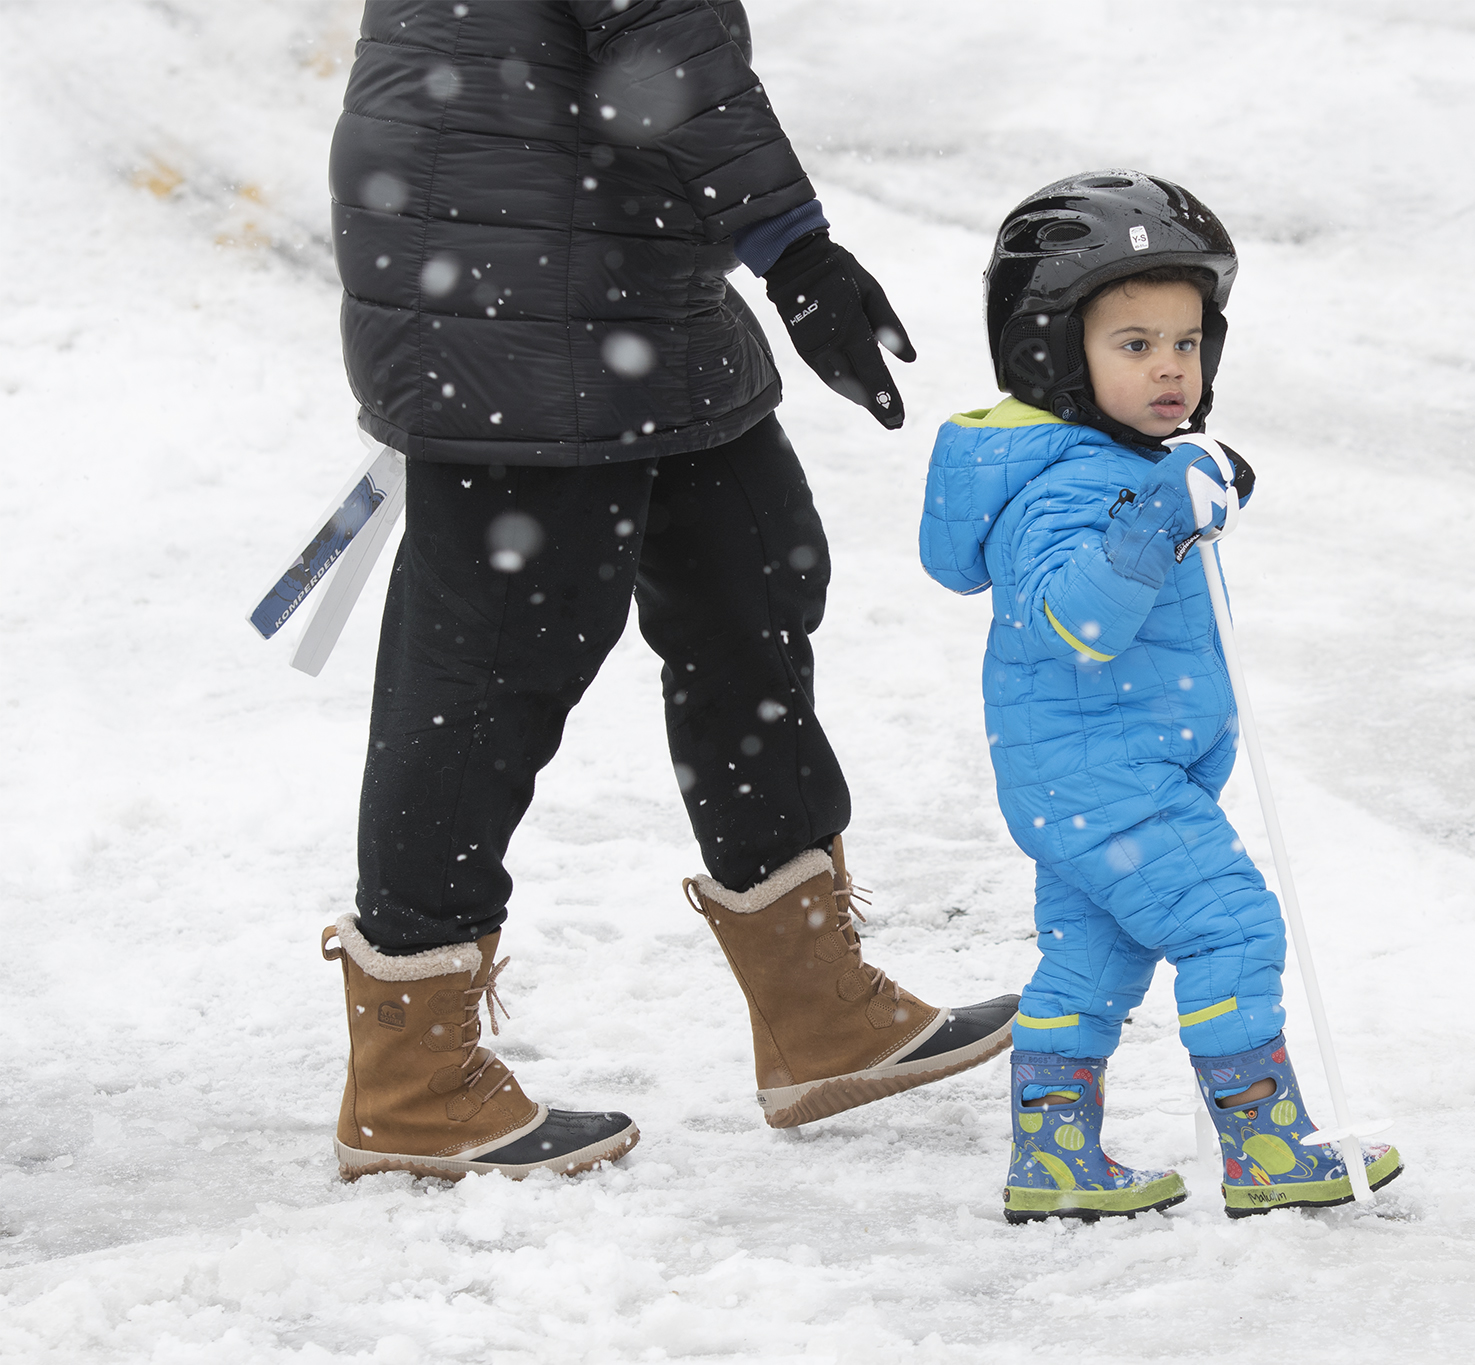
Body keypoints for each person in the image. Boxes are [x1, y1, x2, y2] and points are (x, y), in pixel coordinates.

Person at [316, 0, 1016, 1183]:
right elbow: (662, 42)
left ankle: (816, 1003)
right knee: (491, 668)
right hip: (512, 272)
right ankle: (413, 1074)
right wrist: (794, 245)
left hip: (616, 259)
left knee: (752, 570)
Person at [917, 171, 1404, 1221]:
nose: (1169, 369)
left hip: (1085, 773)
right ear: (1051, 353)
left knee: (1090, 963)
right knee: (1229, 929)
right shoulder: (1068, 482)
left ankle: (1052, 1161)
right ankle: (1266, 1149)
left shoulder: (1099, 459)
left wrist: (1167, 496)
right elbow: (1072, 620)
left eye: (1184, 343)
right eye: (1132, 345)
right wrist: (1153, 523)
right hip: (1108, 773)